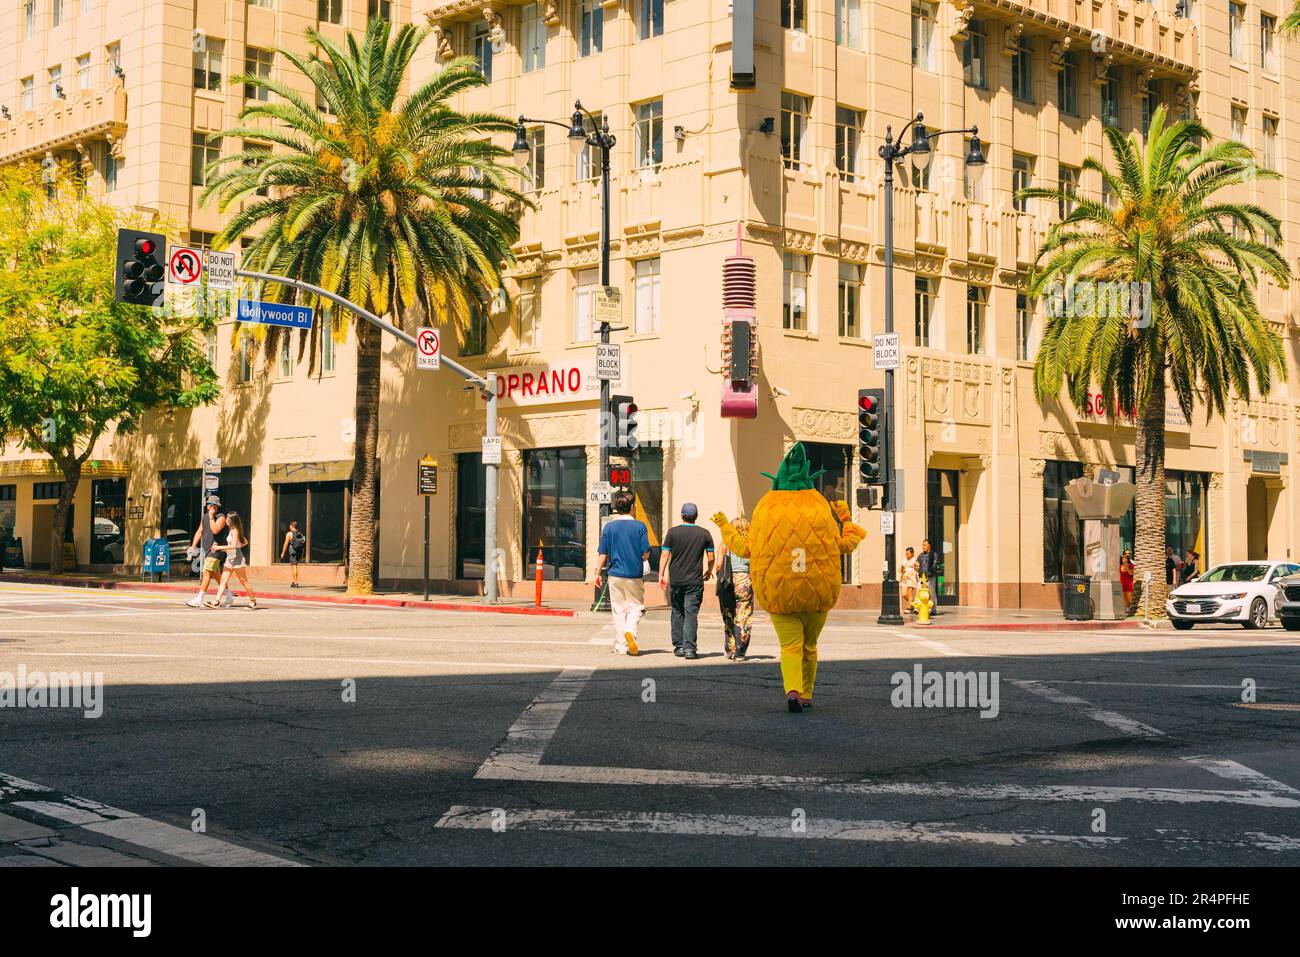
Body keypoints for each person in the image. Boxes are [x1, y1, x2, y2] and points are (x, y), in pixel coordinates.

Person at [714, 443, 866, 712]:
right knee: (810, 646)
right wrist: (845, 517)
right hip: (817, 594)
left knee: (790, 647)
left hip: (780, 594)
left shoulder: (767, 509)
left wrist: (725, 527)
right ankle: (807, 693)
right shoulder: (818, 508)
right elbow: (846, 544)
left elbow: (745, 548)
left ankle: (792, 691)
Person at [595, 491, 651, 656]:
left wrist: (597, 573)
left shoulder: (609, 527)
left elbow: (603, 553)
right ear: (632, 507)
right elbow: (646, 552)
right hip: (634, 573)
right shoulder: (640, 526)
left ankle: (621, 646)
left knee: (618, 610)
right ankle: (630, 631)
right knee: (636, 606)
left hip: (615, 574)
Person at [659, 503, 714, 660]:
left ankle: (679, 647)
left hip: (676, 579)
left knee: (677, 611)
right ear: (696, 516)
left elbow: (664, 555)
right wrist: (709, 571)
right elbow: (711, 557)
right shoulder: (705, 534)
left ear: (682, 515)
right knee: (691, 613)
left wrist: (661, 574)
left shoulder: (672, 533)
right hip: (694, 581)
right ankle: (690, 649)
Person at [716, 516, 754, 660]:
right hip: (744, 580)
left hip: (728, 581)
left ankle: (730, 649)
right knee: (743, 615)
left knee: (729, 614)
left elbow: (719, 566)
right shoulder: (750, 544)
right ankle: (740, 651)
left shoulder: (725, 543)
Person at [186, 496, 233, 608]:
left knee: (206, 572)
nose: (208, 506)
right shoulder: (205, 517)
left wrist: (212, 517)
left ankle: (199, 599)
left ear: (215, 506)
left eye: (210, 504)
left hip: (216, 550)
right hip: (207, 550)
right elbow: (199, 531)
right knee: (216, 575)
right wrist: (193, 546)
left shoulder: (221, 517)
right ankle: (230, 596)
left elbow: (215, 530)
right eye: (208, 504)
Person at [206, 511, 259, 609]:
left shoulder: (235, 530)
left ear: (231, 520)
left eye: (227, 519)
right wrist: (224, 549)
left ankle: (253, 601)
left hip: (237, 559)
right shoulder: (232, 530)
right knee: (223, 580)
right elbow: (244, 542)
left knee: (243, 581)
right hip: (230, 558)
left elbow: (234, 545)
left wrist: (219, 548)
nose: (225, 520)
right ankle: (216, 601)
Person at [280, 520, 305, 588]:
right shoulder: (301, 534)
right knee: (294, 565)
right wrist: (302, 554)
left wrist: (283, 553)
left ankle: (296, 582)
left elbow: (285, 544)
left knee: (294, 566)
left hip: (293, 551)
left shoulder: (289, 534)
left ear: (291, 526)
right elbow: (303, 544)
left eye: (290, 525)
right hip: (299, 551)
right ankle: (294, 581)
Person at [900, 546, 920, 613]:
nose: (907, 555)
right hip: (904, 578)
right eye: (906, 553)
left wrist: (916, 568)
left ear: (912, 553)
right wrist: (902, 568)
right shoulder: (904, 559)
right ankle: (913, 604)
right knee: (904, 594)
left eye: (908, 553)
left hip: (912, 578)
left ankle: (909, 608)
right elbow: (900, 570)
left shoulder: (915, 560)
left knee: (910, 592)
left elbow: (917, 569)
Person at [1119, 548, 1135, 613]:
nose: (1124, 559)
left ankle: (1133, 607)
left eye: (1125, 558)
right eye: (1123, 558)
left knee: (1129, 597)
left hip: (1129, 583)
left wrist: (1127, 566)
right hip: (1122, 583)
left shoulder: (1131, 565)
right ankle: (1126, 609)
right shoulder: (1119, 566)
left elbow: (1131, 573)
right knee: (1124, 597)